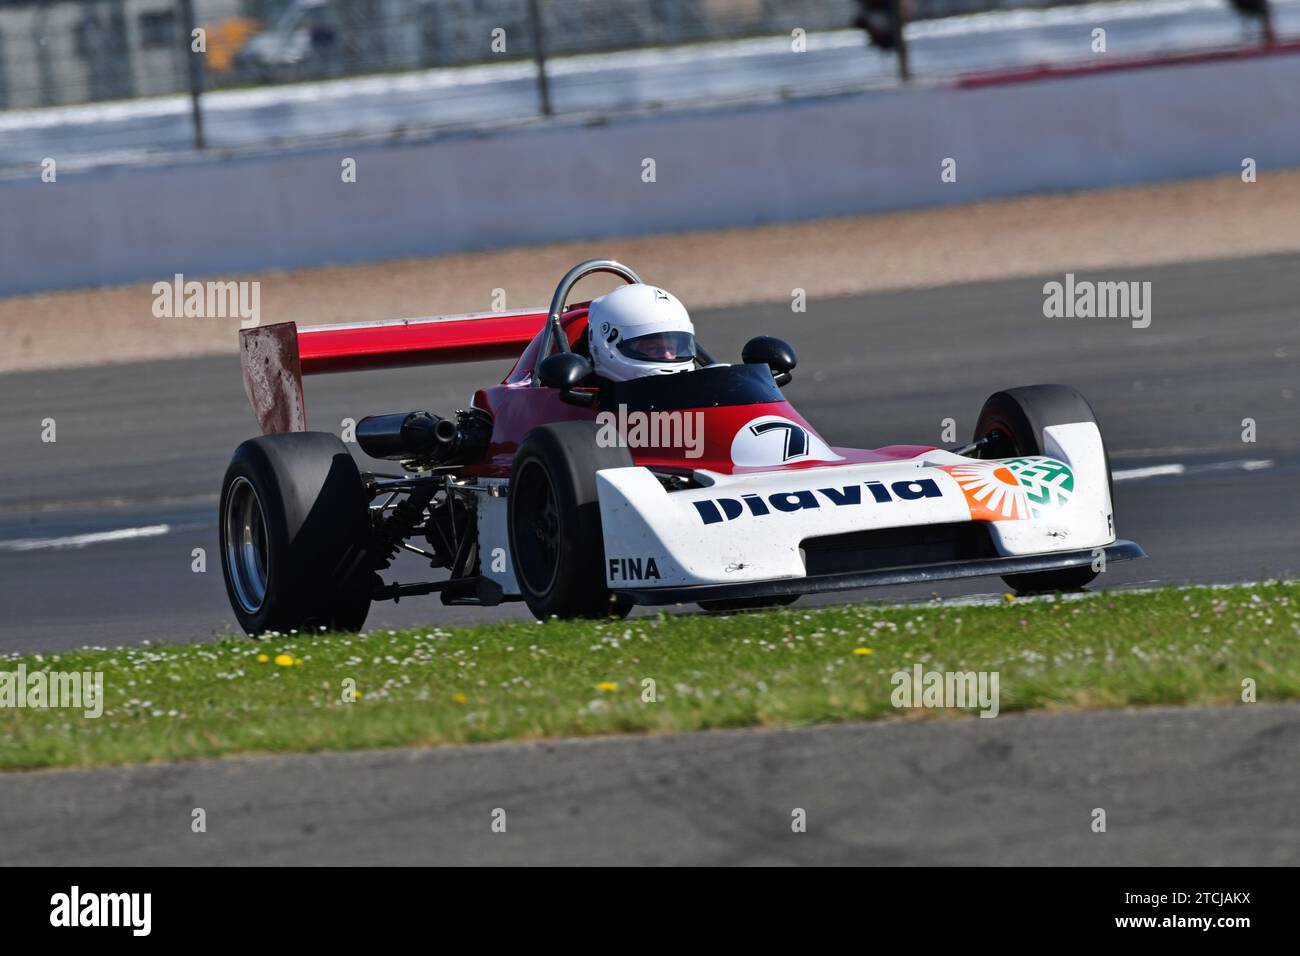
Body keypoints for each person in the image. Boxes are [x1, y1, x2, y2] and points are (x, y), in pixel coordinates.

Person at [587, 284, 697, 382]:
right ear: (608, 343)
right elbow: (622, 405)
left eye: (672, 347)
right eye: (653, 348)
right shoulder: (618, 405)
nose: (668, 356)